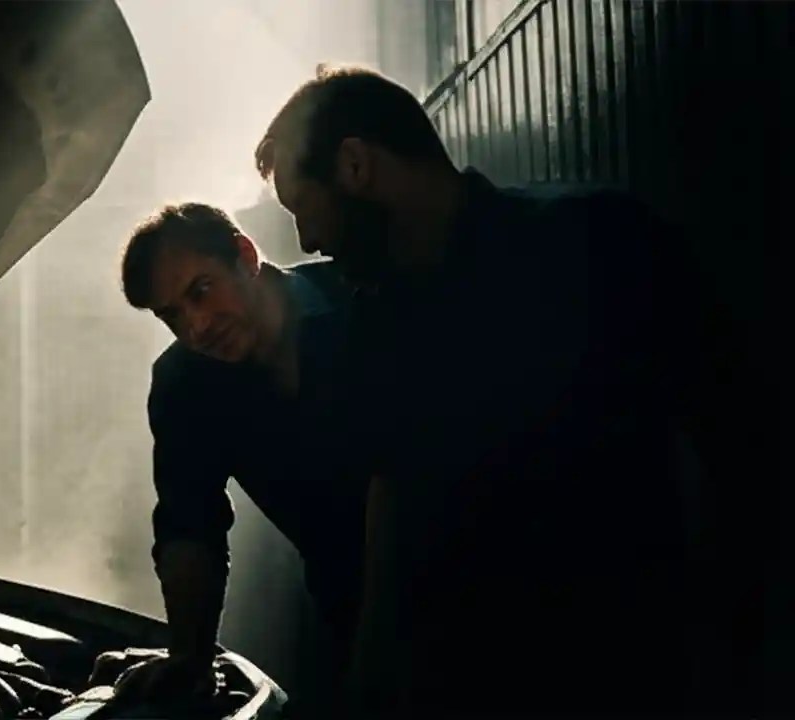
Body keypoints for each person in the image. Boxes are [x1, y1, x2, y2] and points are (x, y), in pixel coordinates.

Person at [254, 64, 732, 716]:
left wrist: (729, 634)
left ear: (356, 165)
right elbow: (391, 493)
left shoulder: (596, 240)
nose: (308, 240)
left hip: (626, 670)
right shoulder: (374, 319)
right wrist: (369, 680)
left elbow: (729, 432)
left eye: (302, 207)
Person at [107, 202, 363, 715]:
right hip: (348, 612)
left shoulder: (362, 303)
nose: (196, 326)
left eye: (201, 291)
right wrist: (190, 657)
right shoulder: (184, 383)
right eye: (172, 315)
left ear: (246, 255)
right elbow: (189, 525)